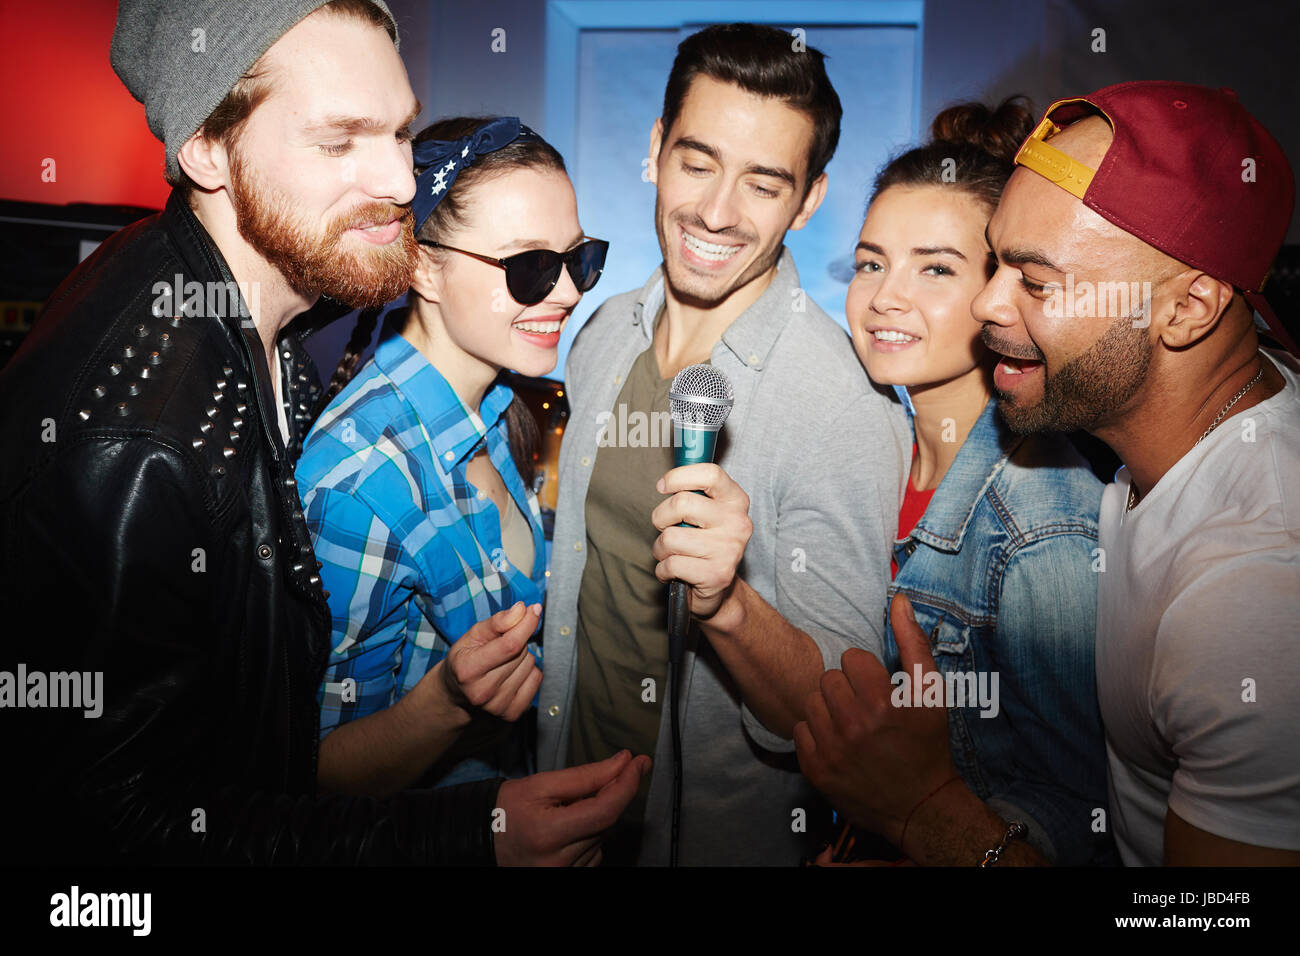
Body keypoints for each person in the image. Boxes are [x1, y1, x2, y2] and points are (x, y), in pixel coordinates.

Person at [0, 0, 646, 866]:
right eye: (339, 141)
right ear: (205, 148)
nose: (400, 182)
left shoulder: (272, 321)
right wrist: (466, 830)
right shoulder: (137, 437)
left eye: (400, 134)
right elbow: (119, 834)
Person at [538, 22, 910, 865]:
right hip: (559, 815)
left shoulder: (842, 405)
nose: (715, 211)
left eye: (763, 184)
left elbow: (834, 715)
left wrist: (730, 608)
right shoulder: (602, 335)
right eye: (697, 162)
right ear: (655, 149)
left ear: (809, 200)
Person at [979, 82, 1299, 865]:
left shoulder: (1253, 593)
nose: (986, 305)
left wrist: (923, 813)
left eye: (1037, 281)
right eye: (994, 263)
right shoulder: (1210, 423)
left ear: (1189, 308)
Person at [795, 99, 1114, 867]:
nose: (884, 297)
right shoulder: (873, 451)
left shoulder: (1043, 526)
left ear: (1001, 289)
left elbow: (1082, 815)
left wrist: (914, 832)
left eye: (935, 268)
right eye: (871, 262)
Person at [297, 116, 608, 795]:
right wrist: (444, 706)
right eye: (530, 267)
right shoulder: (360, 481)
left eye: (579, 259)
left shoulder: (494, 410)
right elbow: (306, 778)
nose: (569, 292)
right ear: (423, 267)